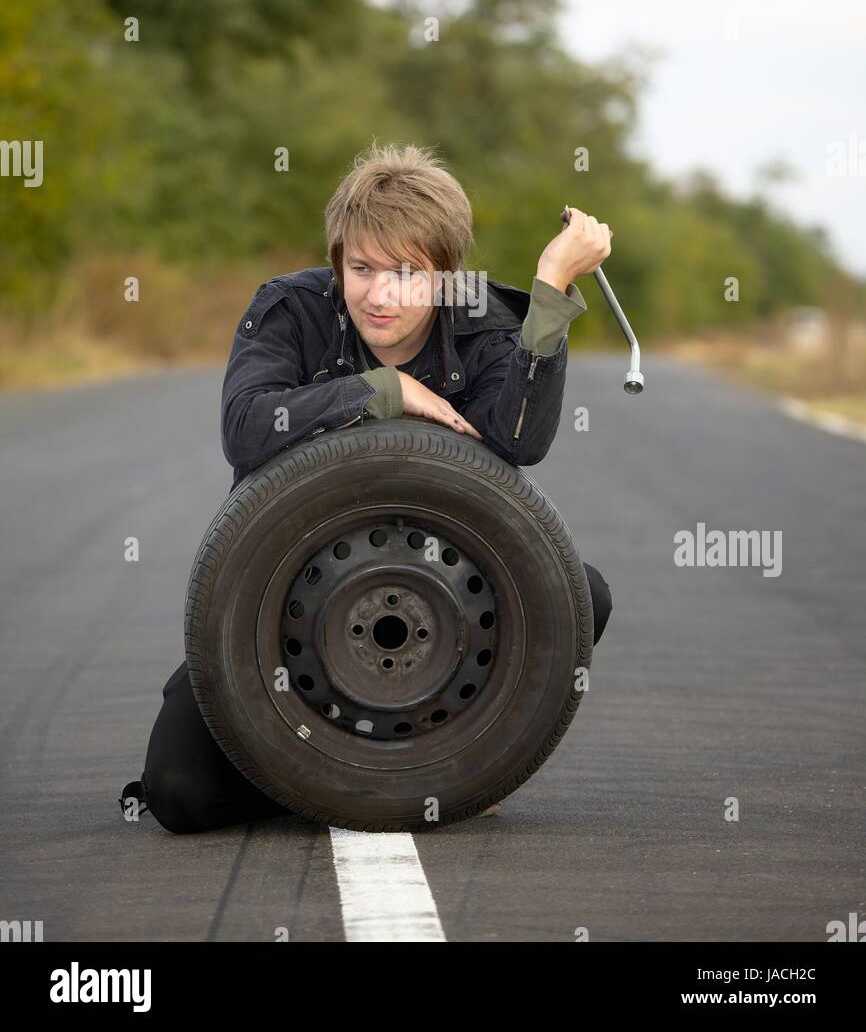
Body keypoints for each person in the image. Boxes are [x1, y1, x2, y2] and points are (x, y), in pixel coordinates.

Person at [120, 141, 613, 833]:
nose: (380, 295)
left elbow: (521, 441)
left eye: (408, 273)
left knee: (579, 593)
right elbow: (244, 428)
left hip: (445, 600)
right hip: (276, 608)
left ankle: (460, 767)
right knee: (176, 794)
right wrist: (379, 391)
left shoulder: (484, 324)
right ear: (337, 262)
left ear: (446, 275)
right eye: (362, 269)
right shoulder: (291, 311)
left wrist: (552, 289)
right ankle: (347, 778)